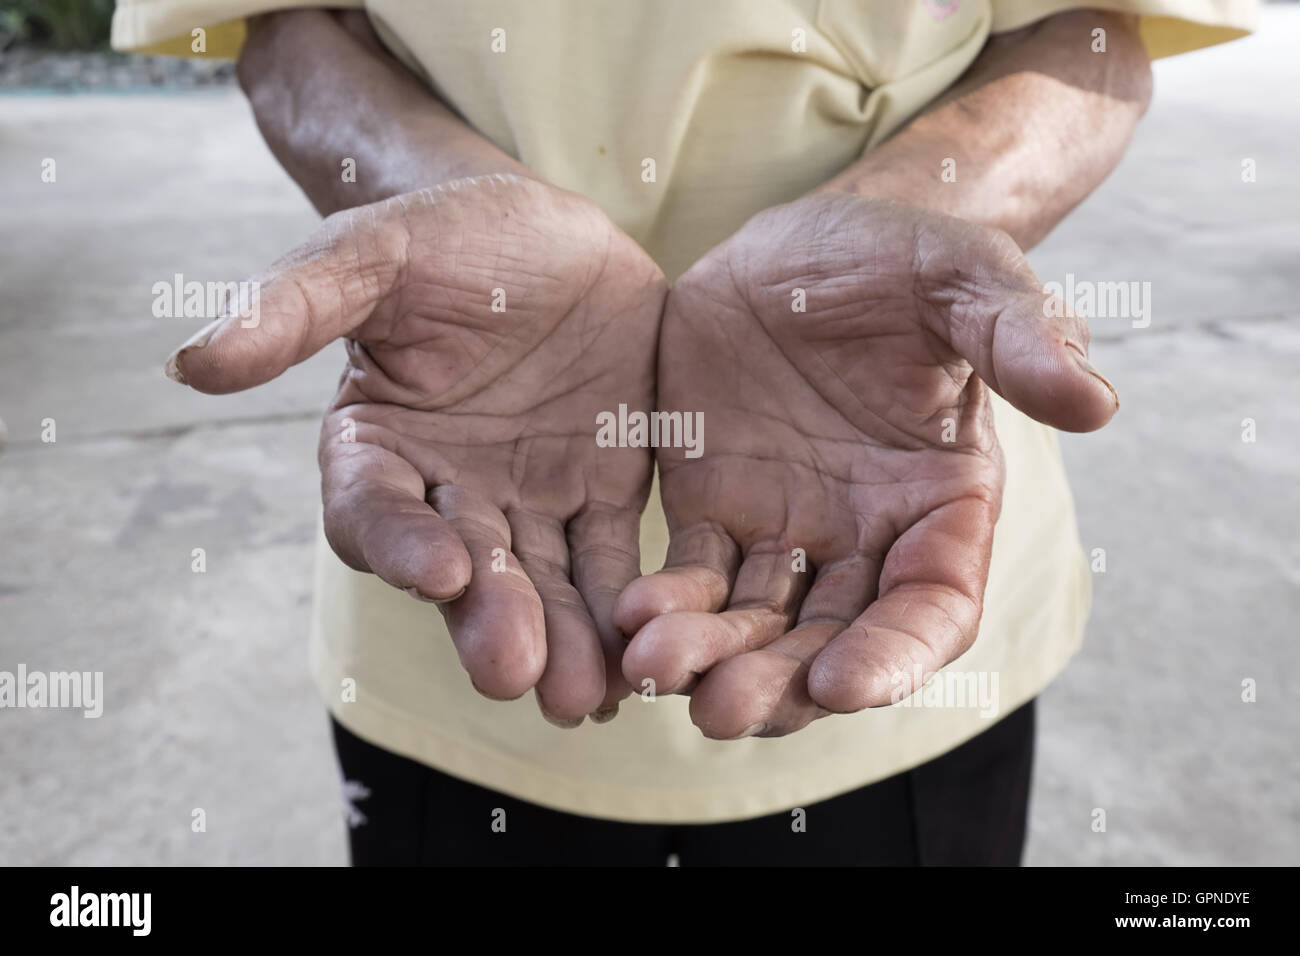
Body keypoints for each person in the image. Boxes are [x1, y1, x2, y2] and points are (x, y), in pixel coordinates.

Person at [112, 0, 1255, 865]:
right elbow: (275, 29)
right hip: (458, 578)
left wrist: (903, 227)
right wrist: (438, 195)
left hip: (883, 536)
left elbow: (1097, 36)